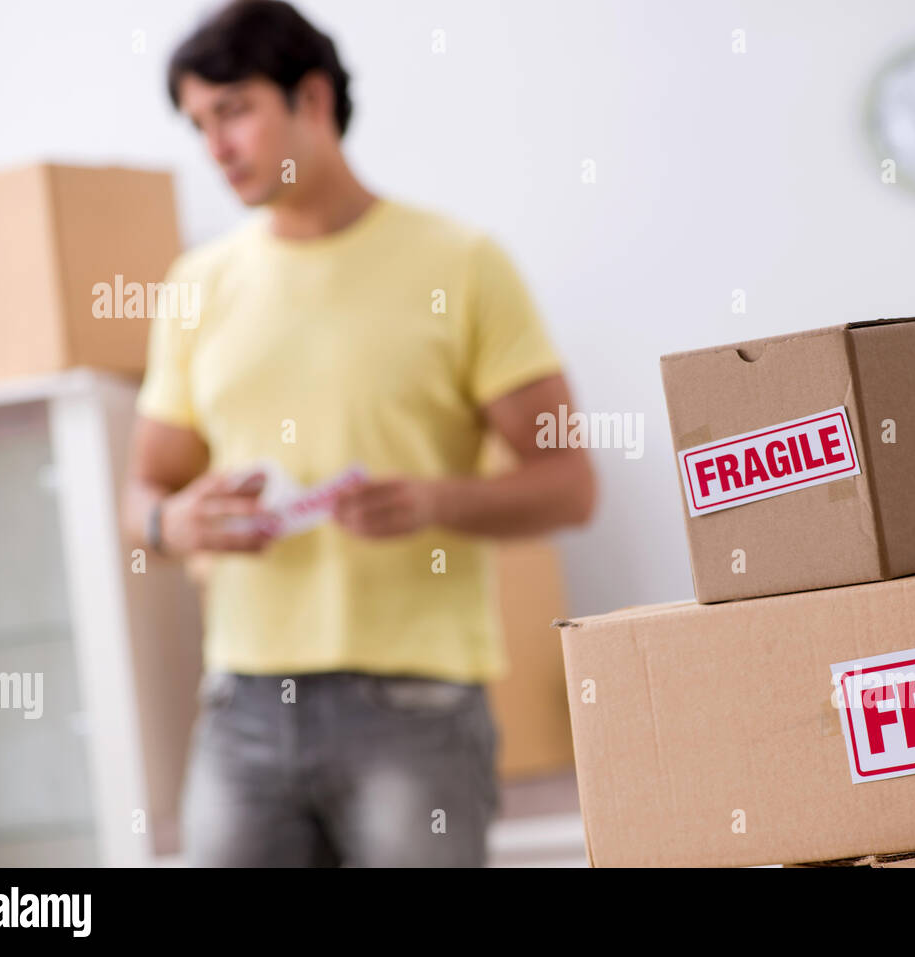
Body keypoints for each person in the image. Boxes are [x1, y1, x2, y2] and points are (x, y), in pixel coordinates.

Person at [122, 0, 595, 867]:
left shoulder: (461, 263)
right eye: (199, 124)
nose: (216, 147)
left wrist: (436, 500)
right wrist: (172, 522)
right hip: (243, 712)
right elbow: (144, 491)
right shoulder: (199, 285)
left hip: (415, 711)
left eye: (234, 110)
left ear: (311, 98)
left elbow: (569, 482)